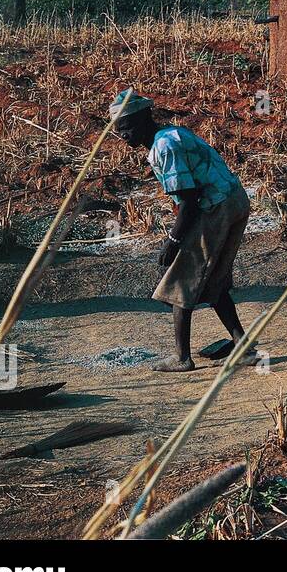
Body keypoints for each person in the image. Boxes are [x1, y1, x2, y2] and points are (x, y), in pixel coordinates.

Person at [108, 89, 255, 373]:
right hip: (233, 200)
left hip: (216, 208)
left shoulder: (165, 146)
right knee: (213, 279)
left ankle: (182, 357)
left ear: (143, 119)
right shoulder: (169, 136)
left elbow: (189, 201)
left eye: (126, 128)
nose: (123, 136)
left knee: (181, 281)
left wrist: (174, 240)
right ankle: (244, 347)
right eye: (118, 131)